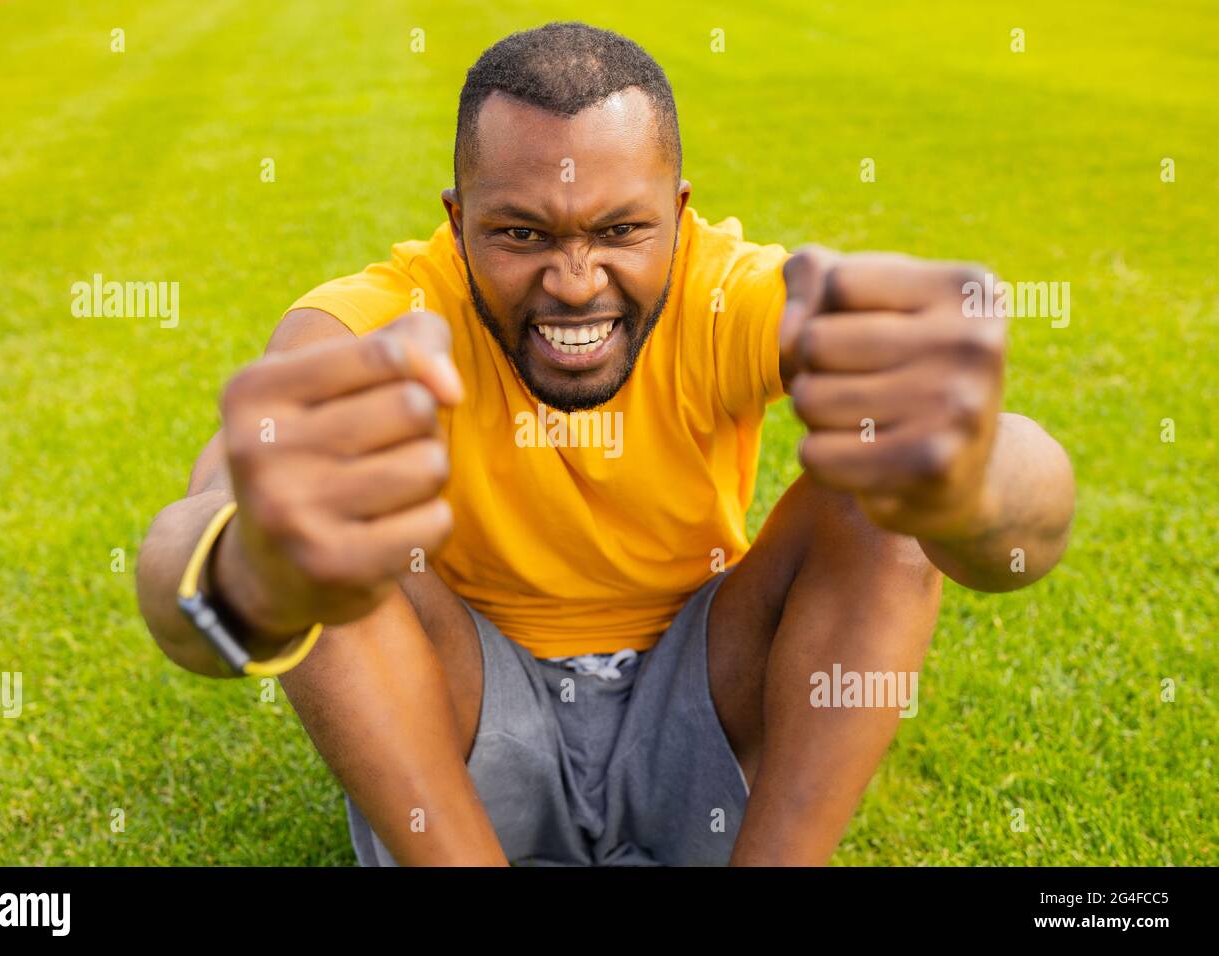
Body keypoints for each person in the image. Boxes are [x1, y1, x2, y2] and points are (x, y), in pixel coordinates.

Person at [136, 21, 1074, 866]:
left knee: (884, 481)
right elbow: (197, 531)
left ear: (680, 210)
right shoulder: (371, 322)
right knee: (318, 512)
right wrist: (244, 572)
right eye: (521, 233)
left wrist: (973, 479)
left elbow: (1030, 518)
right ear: (459, 222)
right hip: (465, 736)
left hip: (704, 701)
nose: (577, 282)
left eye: (622, 231)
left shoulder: (736, 292)